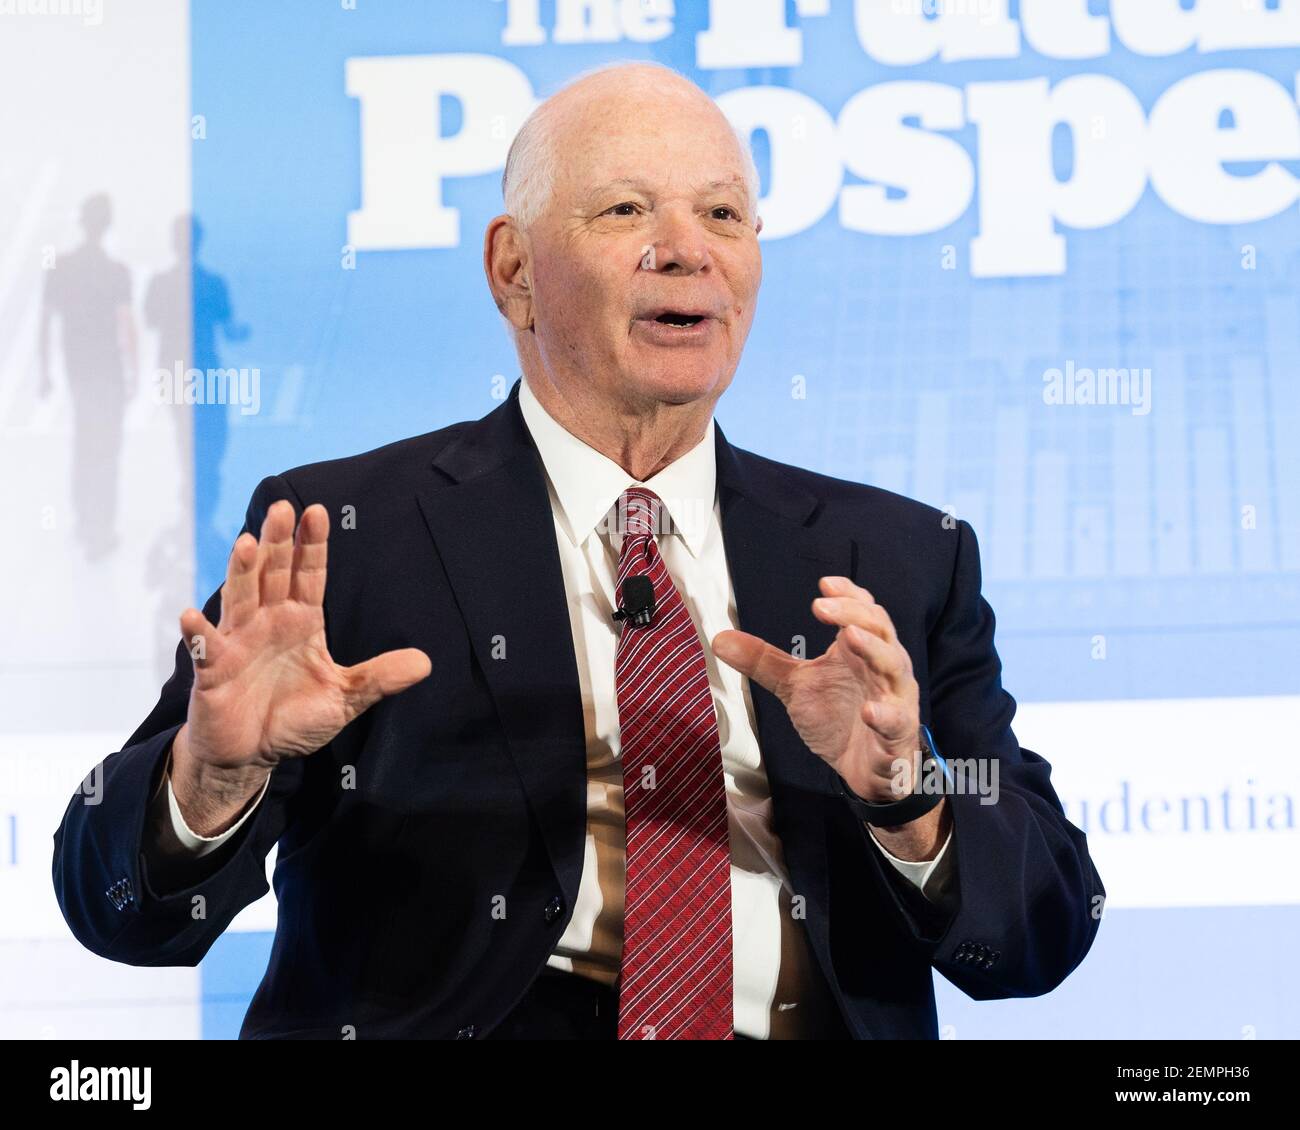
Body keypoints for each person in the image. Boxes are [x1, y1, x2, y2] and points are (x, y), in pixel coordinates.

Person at [52, 62, 1104, 1040]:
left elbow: (1043, 930)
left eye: (725, 214)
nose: (687, 248)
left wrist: (907, 795)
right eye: (626, 210)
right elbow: (127, 914)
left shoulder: (896, 555)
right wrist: (215, 773)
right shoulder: (344, 533)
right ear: (514, 269)